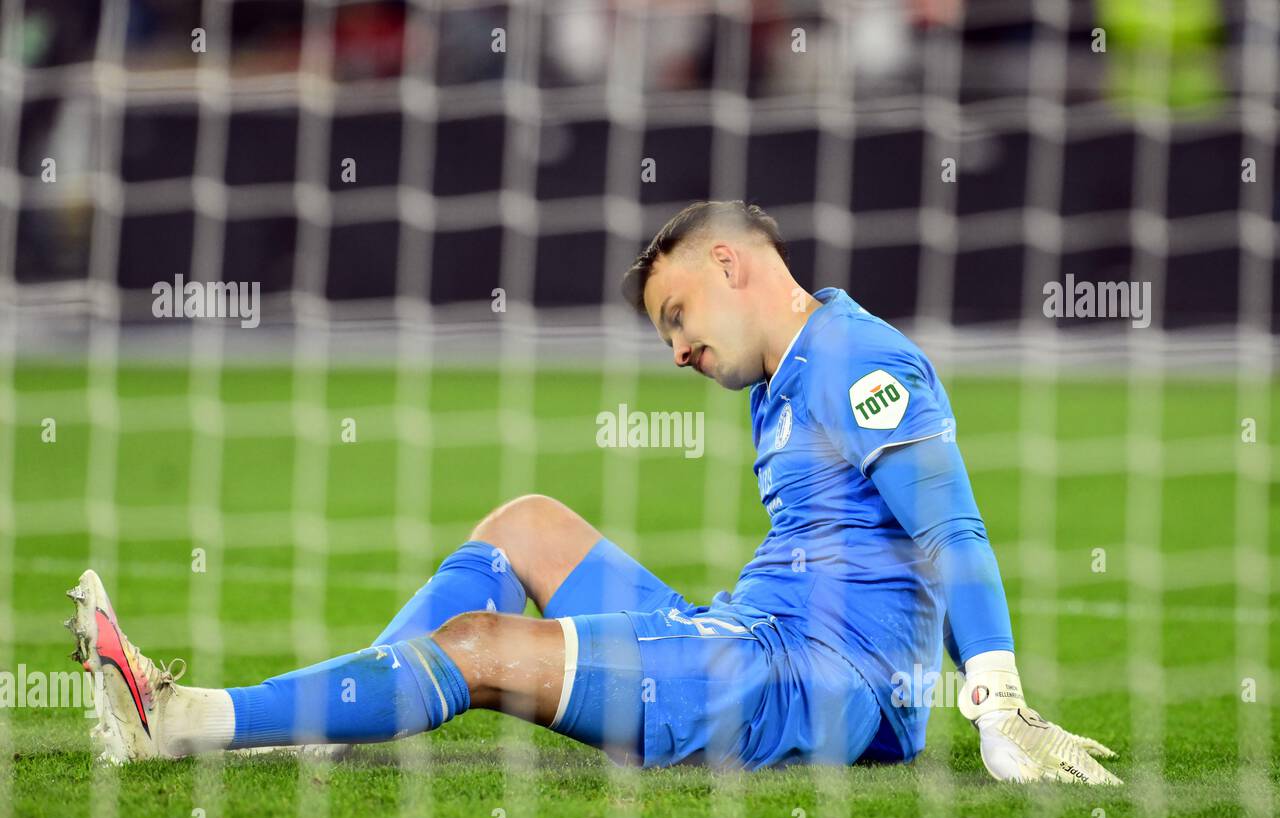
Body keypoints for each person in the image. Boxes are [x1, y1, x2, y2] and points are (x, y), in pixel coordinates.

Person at [70, 199, 1121, 784]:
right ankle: (348, 711)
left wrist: (995, 702)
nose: (674, 349)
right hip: (763, 640)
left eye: (676, 314)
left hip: (802, 681)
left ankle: (185, 720)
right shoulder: (791, 369)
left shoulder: (857, 360)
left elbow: (952, 528)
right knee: (526, 524)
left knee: (482, 647)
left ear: (729, 262)